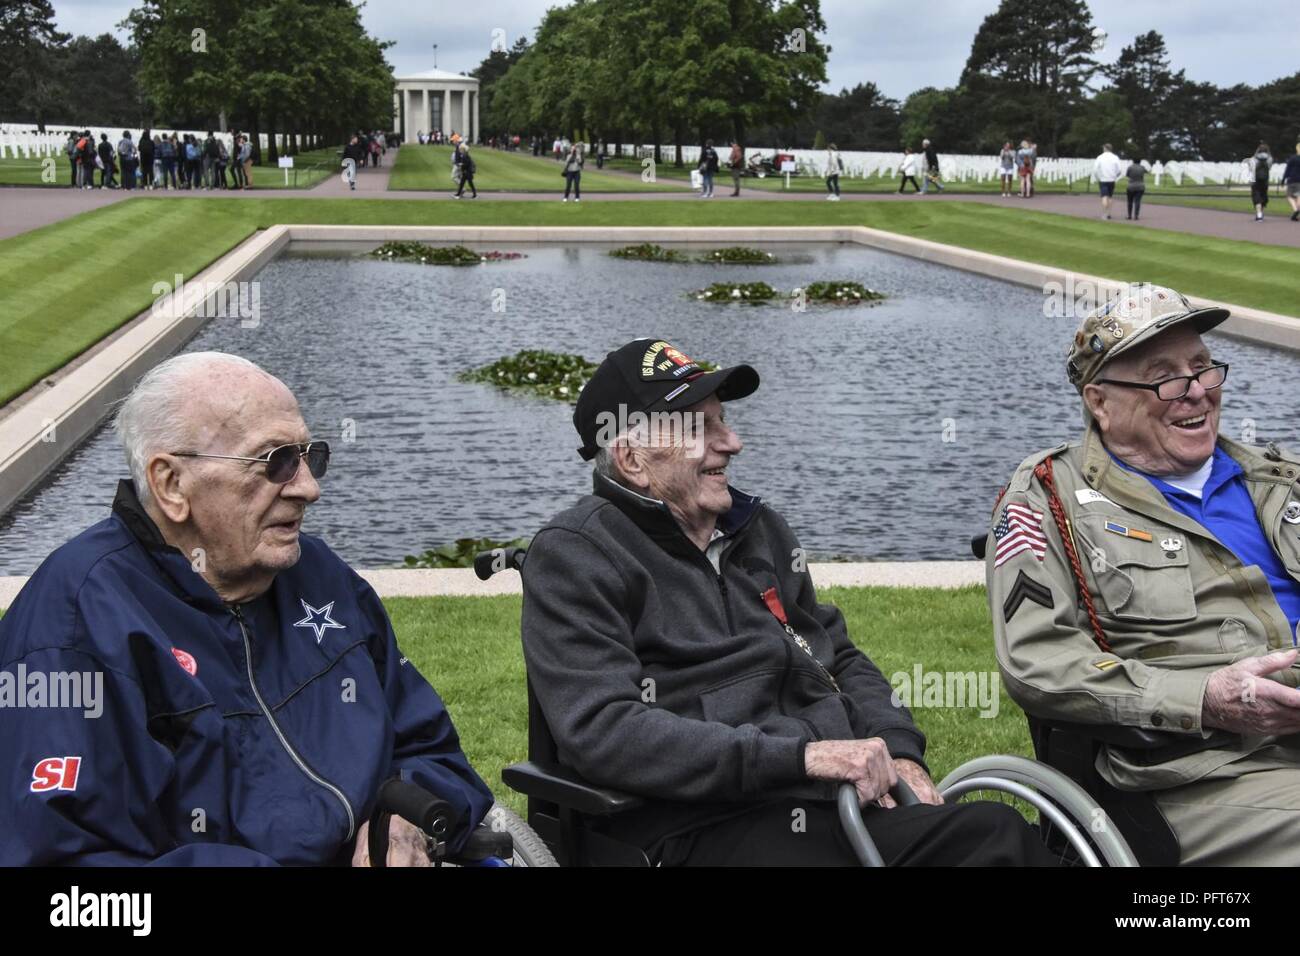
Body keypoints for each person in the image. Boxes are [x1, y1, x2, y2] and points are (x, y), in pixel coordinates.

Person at [519, 337, 1059, 867]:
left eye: (722, 422)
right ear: (633, 457)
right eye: (702, 429)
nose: (732, 443)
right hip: (688, 825)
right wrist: (801, 757)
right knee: (992, 839)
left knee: (995, 833)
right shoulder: (577, 553)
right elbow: (605, 730)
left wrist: (898, 748)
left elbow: (839, 657)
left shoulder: (757, 531)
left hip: (811, 800)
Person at [0, 353, 493, 865]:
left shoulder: (320, 578)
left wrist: (408, 818)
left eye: (310, 455)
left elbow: (432, 750)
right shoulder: (75, 628)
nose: (308, 487)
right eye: (276, 460)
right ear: (172, 485)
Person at [988, 284, 1300, 866]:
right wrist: (1205, 699)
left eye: (1204, 367)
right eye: (1165, 377)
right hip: (1204, 772)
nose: (1197, 392)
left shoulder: (1278, 478)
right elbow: (1038, 662)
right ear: (1100, 402)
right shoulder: (1045, 501)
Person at [1094, 143, 1123, 219]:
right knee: (1110, 197)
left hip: (1103, 179)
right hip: (1111, 179)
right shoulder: (1115, 157)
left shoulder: (1100, 157)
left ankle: (1104, 214)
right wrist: (1115, 176)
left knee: (1104, 196)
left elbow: (1095, 170)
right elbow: (1119, 170)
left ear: (1105, 148)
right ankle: (1109, 213)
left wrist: (1098, 178)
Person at [1250, 142, 1272, 222]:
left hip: (1256, 180)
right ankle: (1261, 213)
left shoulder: (1254, 159)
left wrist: (1256, 152)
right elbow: (1269, 168)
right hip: (1265, 180)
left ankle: (1258, 214)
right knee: (1263, 196)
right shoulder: (1269, 159)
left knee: (1256, 196)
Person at [1282, 143, 1300, 222]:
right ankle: (1297, 211)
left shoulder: (1293, 158)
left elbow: (1287, 169)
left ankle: (1296, 209)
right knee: (1298, 195)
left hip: (1292, 179)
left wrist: (1283, 179)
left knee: (1289, 196)